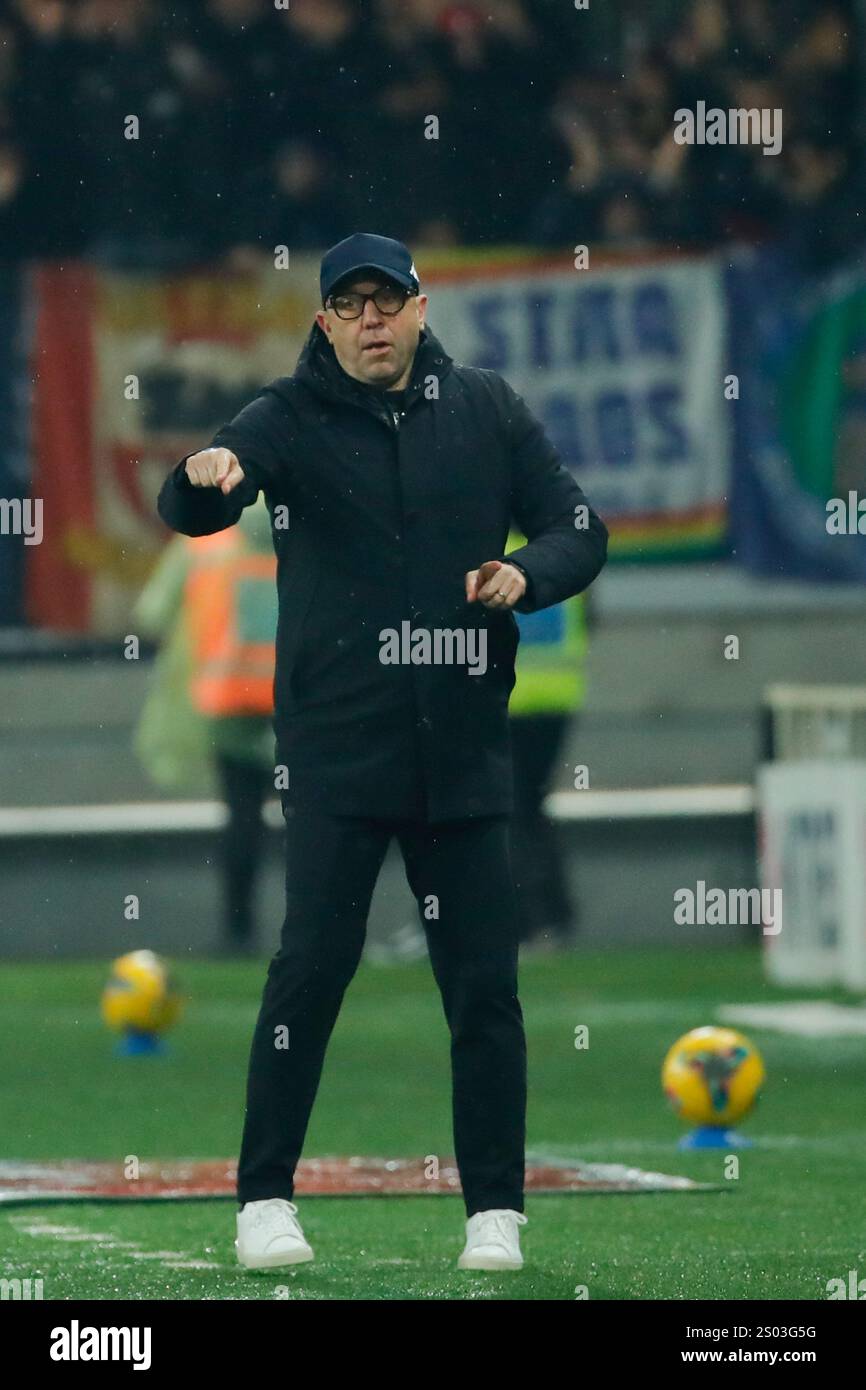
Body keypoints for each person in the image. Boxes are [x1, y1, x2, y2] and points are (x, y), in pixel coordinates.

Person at [156, 233, 608, 1273]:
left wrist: (524, 576)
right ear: (323, 321)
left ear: (417, 308)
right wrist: (205, 476)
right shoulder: (285, 416)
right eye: (348, 305)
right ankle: (263, 1200)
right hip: (336, 752)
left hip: (459, 751)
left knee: (483, 988)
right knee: (310, 969)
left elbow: (576, 527)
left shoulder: (487, 409)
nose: (369, 320)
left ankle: (494, 1212)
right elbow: (195, 500)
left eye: (385, 302)